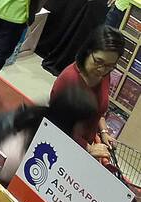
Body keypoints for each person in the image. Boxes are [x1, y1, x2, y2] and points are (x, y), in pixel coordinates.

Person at [0, 87, 102, 183]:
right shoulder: (31, 143)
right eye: (83, 124)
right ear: (69, 122)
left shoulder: (39, 118)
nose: (84, 130)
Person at [48, 25, 124, 158]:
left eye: (110, 66)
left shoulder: (104, 75)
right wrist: (88, 149)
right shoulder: (69, 79)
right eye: (98, 61)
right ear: (88, 51)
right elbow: (58, 125)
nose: (102, 70)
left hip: (85, 149)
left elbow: (98, 111)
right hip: (60, 150)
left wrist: (104, 132)